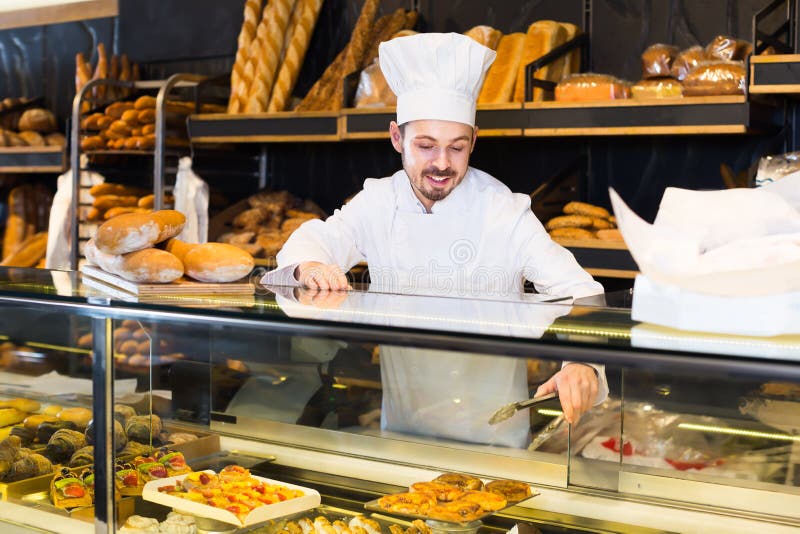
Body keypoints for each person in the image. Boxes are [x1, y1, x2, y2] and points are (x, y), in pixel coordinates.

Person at [263, 33, 607, 425]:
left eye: (457, 147)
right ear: (397, 137)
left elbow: (580, 291)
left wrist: (582, 360)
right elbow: (316, 240)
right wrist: (309, 266)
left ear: (474, 141)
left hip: (493, 432)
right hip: (407, 427)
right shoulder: (379, 202)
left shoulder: (504, 211)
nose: (441, 163)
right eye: (426, 145)